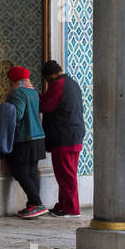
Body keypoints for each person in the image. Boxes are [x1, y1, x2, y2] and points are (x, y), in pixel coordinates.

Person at [0, 65, 46, 218]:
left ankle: (37, 204)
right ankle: (32, 204)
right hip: (38, 138)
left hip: (25, 138)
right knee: (31, 171)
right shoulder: (34, 92)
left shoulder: (18, 92)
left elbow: (15, 114)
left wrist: (0, 107)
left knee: (20, 171)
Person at [39, 59, 85, 216]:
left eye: (46, 79)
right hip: (73, 135)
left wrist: (35, 95)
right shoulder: (72, 83)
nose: (46, 83)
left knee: (66, 175)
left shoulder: (58, 85)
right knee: (65, 174)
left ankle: (72, 209)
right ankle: (63, 205)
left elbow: (45, 106)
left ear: (49, 75)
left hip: (65, 137)